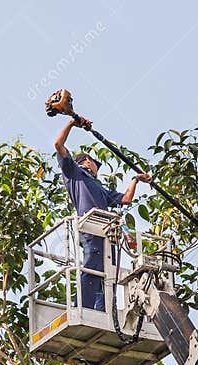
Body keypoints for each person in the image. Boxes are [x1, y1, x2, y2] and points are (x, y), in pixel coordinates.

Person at [53, 115, 151, 311]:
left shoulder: (99, 188)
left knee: (109, 273)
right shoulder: (74, 173)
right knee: (92, 269)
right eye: (95, 163)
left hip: (107, 233)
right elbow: (58, 144)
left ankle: (103, 311)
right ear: (87, 161)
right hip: (91, 228)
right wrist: (73, 123)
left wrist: (135, 179)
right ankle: (83, 308)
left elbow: (126, 199)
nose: (97, 167)